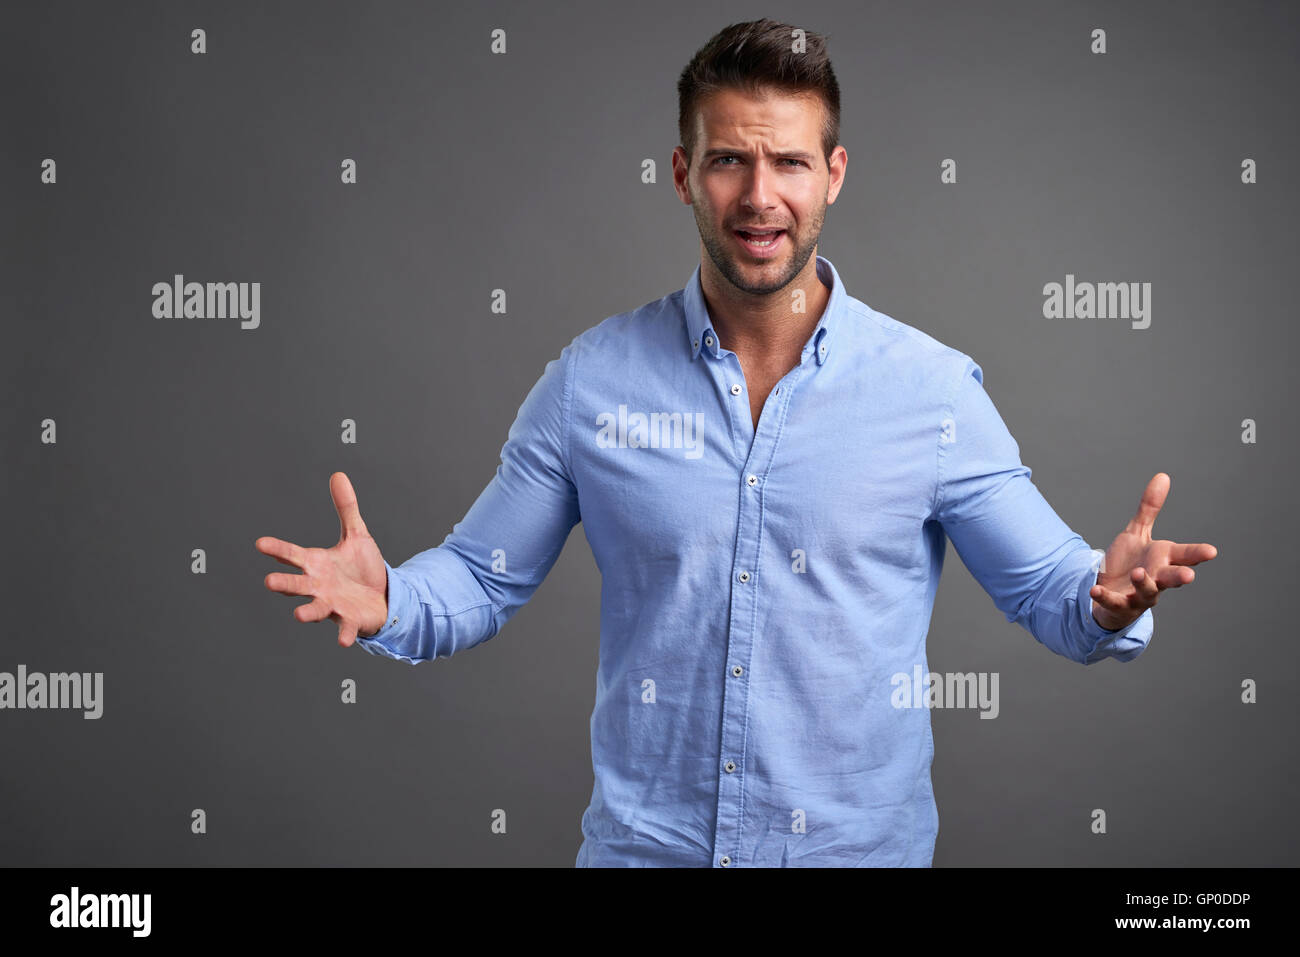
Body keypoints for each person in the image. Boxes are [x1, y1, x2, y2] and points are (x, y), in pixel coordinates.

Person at [256, 18, 1217, 867]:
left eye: (791, 162)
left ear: (833, 175)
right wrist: (392, 601)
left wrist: (1106, 599)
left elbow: (1051, 592)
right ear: (683, 173)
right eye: (729, 161)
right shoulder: (592, 382)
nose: (761, 196)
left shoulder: (931, 393)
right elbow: (483, 574)